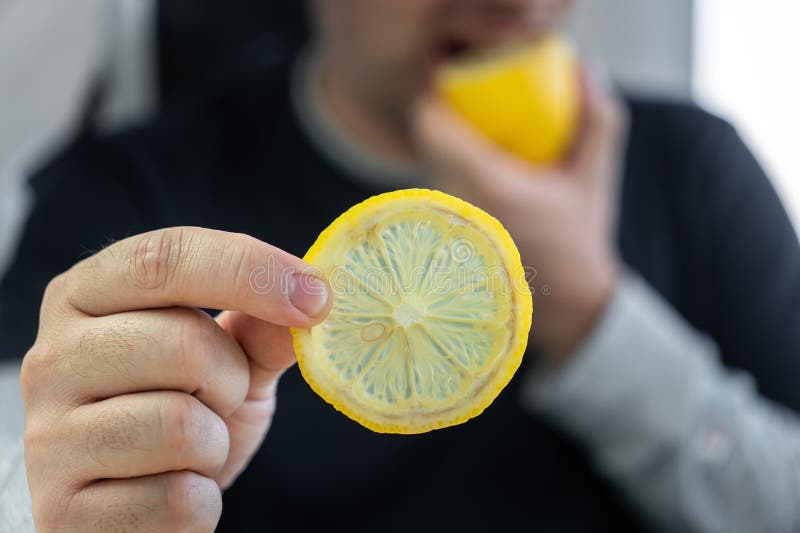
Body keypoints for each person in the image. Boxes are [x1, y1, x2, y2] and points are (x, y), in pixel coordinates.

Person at [1, 1, 800, 531]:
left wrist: (594, 313)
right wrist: (44, 500)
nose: (519, 4)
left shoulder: (691, 164)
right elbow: (18, 463)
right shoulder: (134, 192)